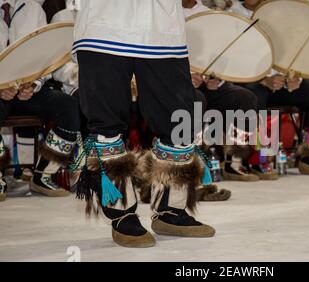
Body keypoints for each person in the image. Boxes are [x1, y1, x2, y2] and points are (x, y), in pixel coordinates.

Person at [73, 0, 215, 248]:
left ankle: (170, 209)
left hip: (162, 31)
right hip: (104, 29)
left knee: (179, 119)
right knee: (106, 125)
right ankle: (121, 212)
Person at [232, 0, 309, 177]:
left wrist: (296, 75)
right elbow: (233, 59)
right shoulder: (233, 16)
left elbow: (297, 48)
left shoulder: (280, 12)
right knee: (253, 94)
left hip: (283, 81)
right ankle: (261, 156)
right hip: (251, 82)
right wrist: (263, 79)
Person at [183, 0, 274, 182]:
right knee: (197, 99)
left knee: (244, 97)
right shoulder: (167, 16)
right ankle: (195, 163)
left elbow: (222, 53)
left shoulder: (211, 16)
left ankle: (234, 160)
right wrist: (185, 77)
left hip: (207, 82)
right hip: (180, 84)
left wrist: (217, 77)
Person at [0, 0, 81, 202]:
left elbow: (44, 56)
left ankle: (43, 174)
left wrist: (33, 84)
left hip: (29, 88)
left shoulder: (33, 9)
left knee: (70, 108)